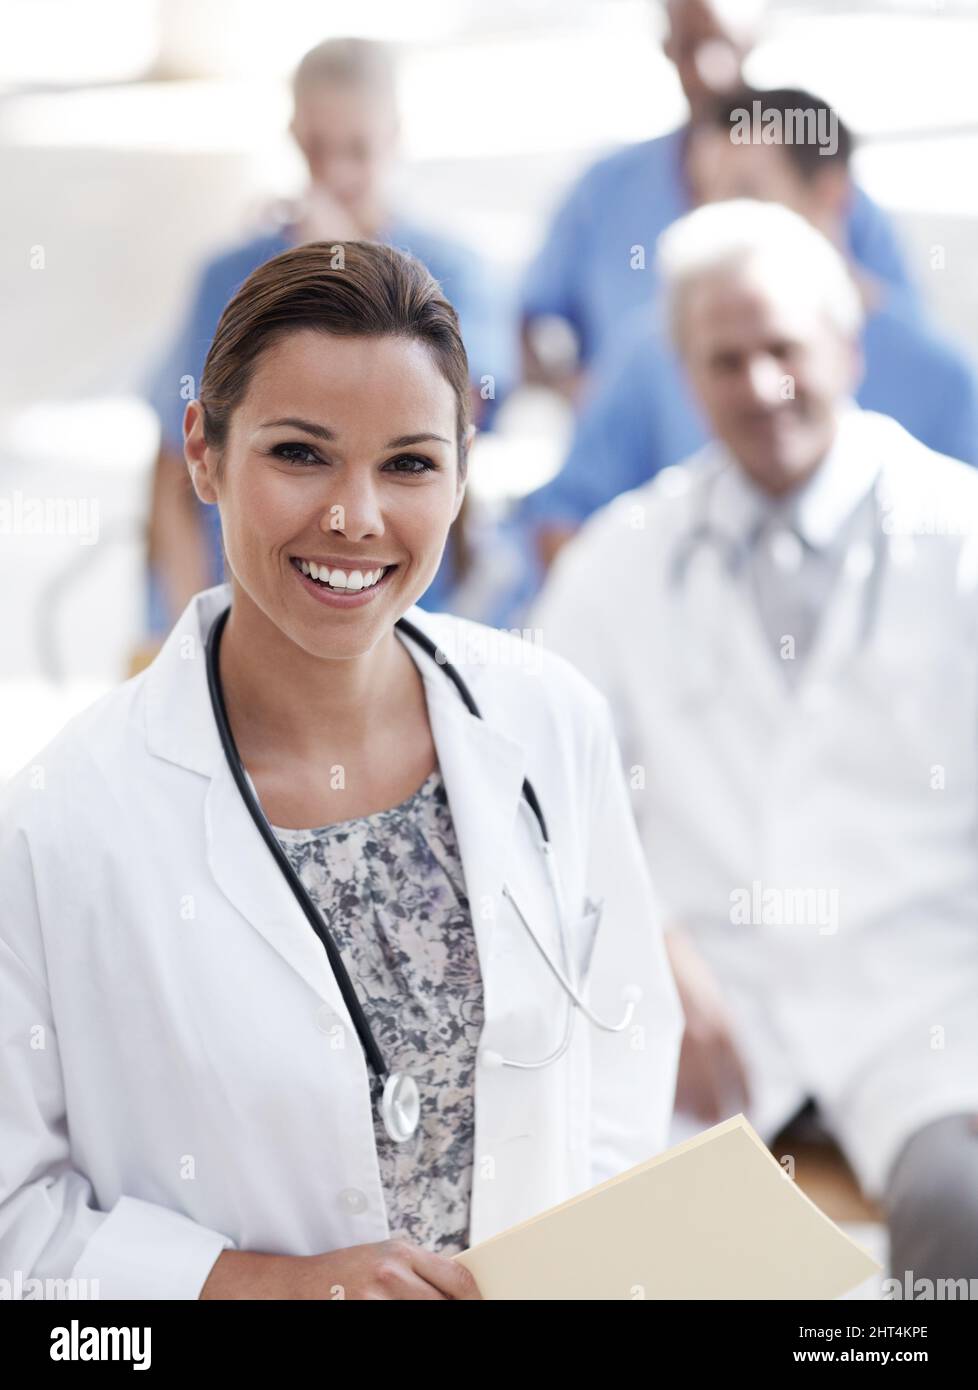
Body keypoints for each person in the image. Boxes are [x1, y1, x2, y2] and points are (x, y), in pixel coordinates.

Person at [0, 241, 682, 1300]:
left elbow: (626, 1068)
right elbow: (13, 1220)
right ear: (204, 454)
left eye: (409, 463)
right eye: (301, 455)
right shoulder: (59, 826)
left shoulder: (550, 722)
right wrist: (267, 1286)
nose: (356, 517)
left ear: (462, 475)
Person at [530, 200, 978, 1280]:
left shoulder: (959, 534)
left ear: (848, 346)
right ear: (686, 374)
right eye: (725, 361)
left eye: (786, 349)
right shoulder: (621, 560)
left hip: (927, 1003)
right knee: (603, 1248)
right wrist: (649, 943)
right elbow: (532, 791)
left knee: (961, 1220)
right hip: (708, 1012)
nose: (763, 387)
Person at [518, 88, 978, 573]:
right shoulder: (653, 352)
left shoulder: (941, 380)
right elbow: (563, 519)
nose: (712, 221)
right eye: (701, 197)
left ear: (829, 192)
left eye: (743, 196)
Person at [146, 36, 516, 639]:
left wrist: (349, 264)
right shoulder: (226, 275)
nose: (338, 174)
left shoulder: (460, 270)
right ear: (294, 135)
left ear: (395, 135)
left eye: (358, 150)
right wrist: (191, 637)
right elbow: (170, 472)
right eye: (320, 149)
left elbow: (461, 410)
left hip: (415, 611)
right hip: (246, 609)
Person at [519, 0, 919, 405]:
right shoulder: (646, 359)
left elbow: (899, 330)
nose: (711, 68)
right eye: (692, 44)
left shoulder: (903, 357)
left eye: (746, 194)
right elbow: (532, 317)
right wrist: (584, 393)